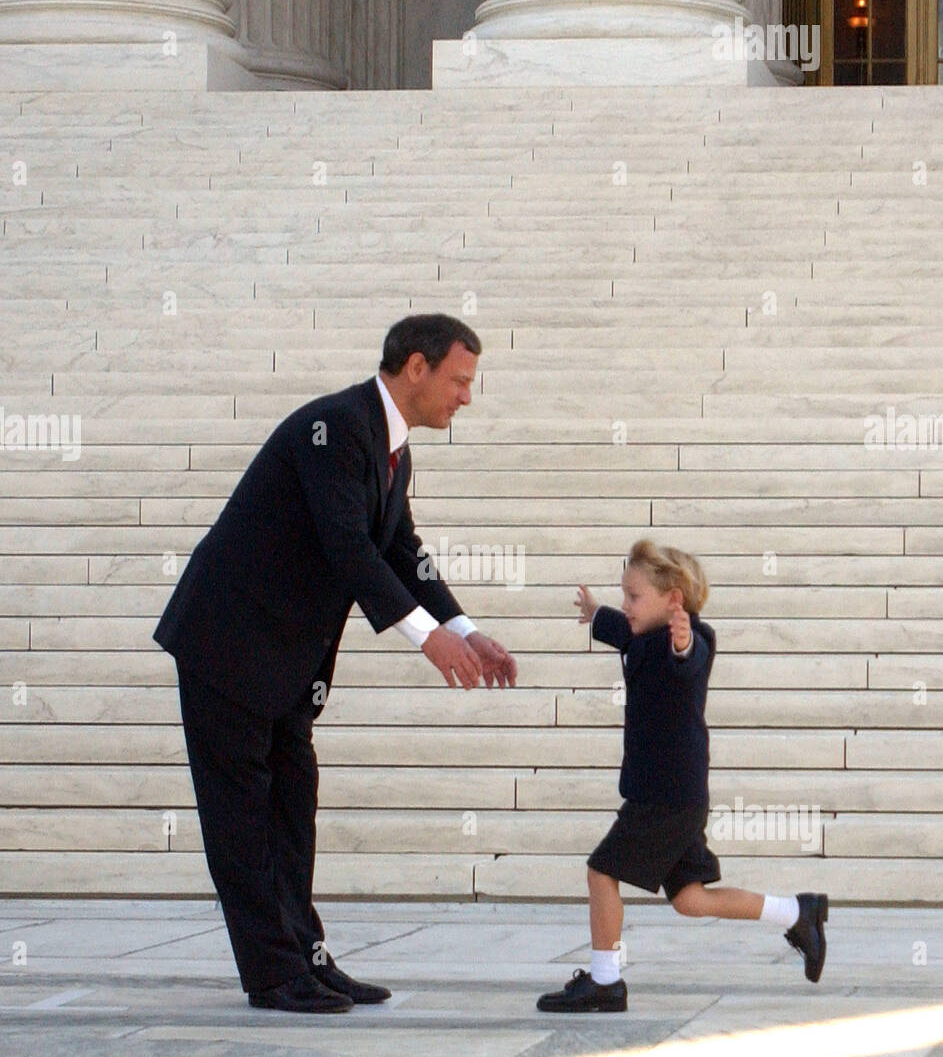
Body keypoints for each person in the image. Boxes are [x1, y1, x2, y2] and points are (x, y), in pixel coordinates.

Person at [154, 314, 517, 1014]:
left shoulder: (391, 449)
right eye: (460, 381)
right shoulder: (335, 427)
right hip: (228, 644)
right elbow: (347, 548)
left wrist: (465, 629)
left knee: (291, 811)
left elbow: (399, 549)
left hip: (285, 662)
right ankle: (271, 972)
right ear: (416, 366)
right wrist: (425, 637)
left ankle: (308, 959)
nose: (466, 398)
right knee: (242, 820)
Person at [537, 539, 827, 1014]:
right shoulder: (640, 633)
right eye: (623, 595)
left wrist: (683, 641)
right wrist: (596, 613)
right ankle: (799, 913)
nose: (625, 605)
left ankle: (606, 982)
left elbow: (687, 662)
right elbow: (627, 632)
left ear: (674, 601)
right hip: (676, 796)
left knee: (601, 872)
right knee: (690, 899)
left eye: (634, 597)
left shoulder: (694, 641)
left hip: (664, 798)